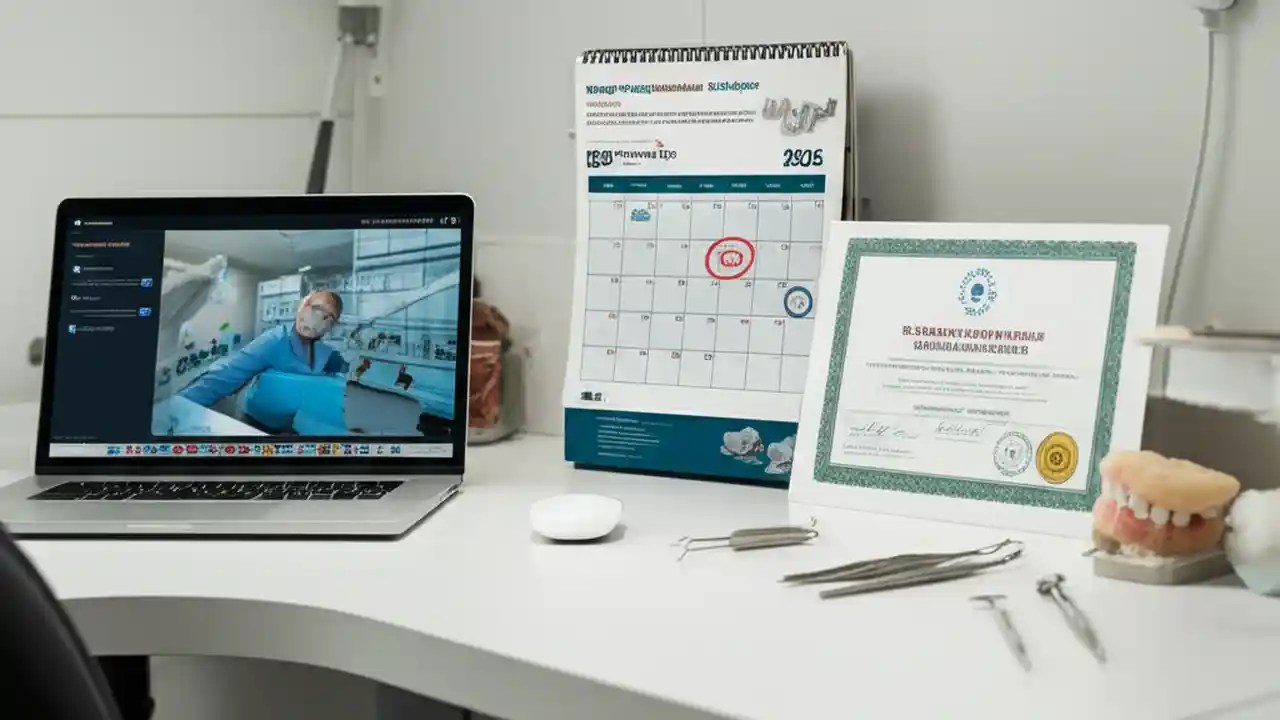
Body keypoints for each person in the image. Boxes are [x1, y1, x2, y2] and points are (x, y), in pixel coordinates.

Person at [181, 290, 349, 408]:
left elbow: (345, 374)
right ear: (303, 305)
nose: (318, 319)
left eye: (328, 317)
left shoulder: (326, 354)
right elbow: (225, 374)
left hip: (297, 424)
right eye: (316, 309)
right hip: (260, 421)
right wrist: (180, 405)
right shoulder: (274, 341)